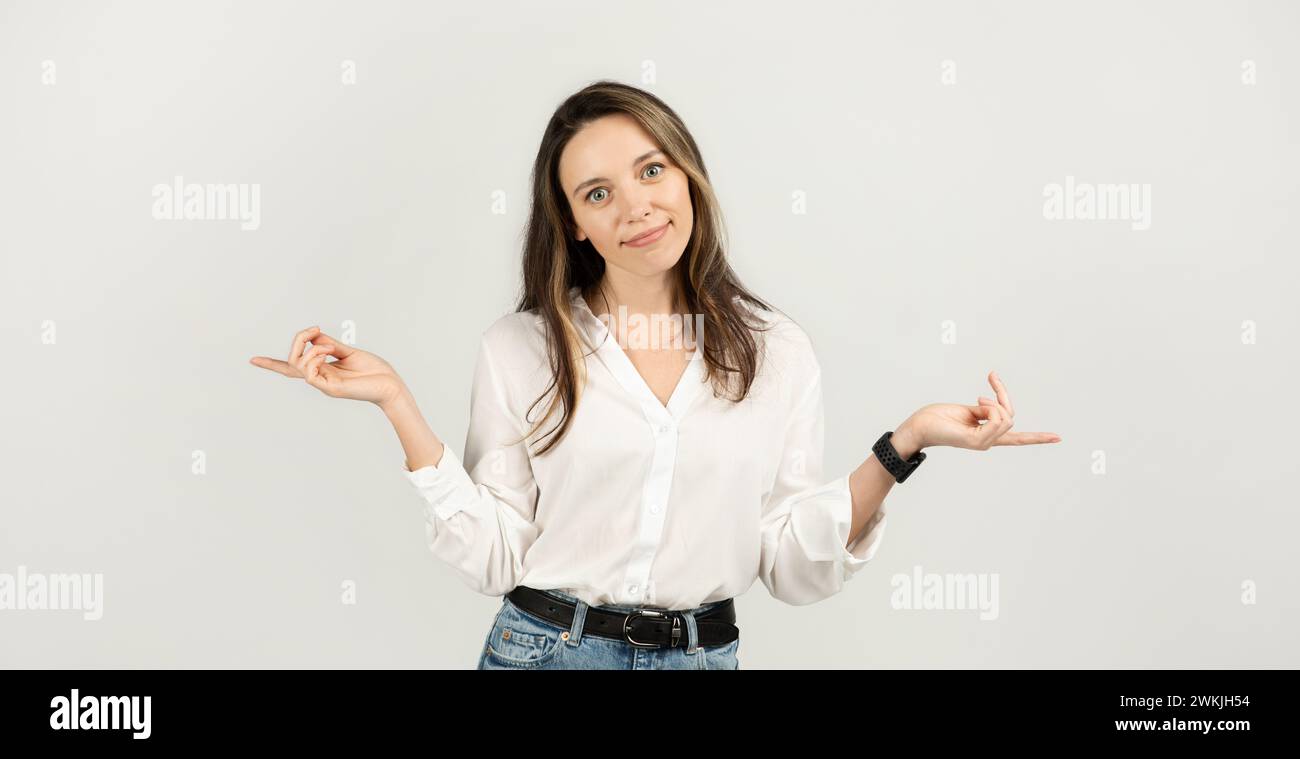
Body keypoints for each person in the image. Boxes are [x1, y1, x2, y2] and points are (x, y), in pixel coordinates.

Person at [249, 81, 1061, 670]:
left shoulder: (776, 353)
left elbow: (790, 561)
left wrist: (906, 442)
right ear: (575, 222)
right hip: (544, 655)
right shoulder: (519, 348)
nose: (634, 207)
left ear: (687, 176)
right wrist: (397, 403)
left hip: (702, 658)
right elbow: (495, 555)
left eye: (650, 171)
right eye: (597, 192)